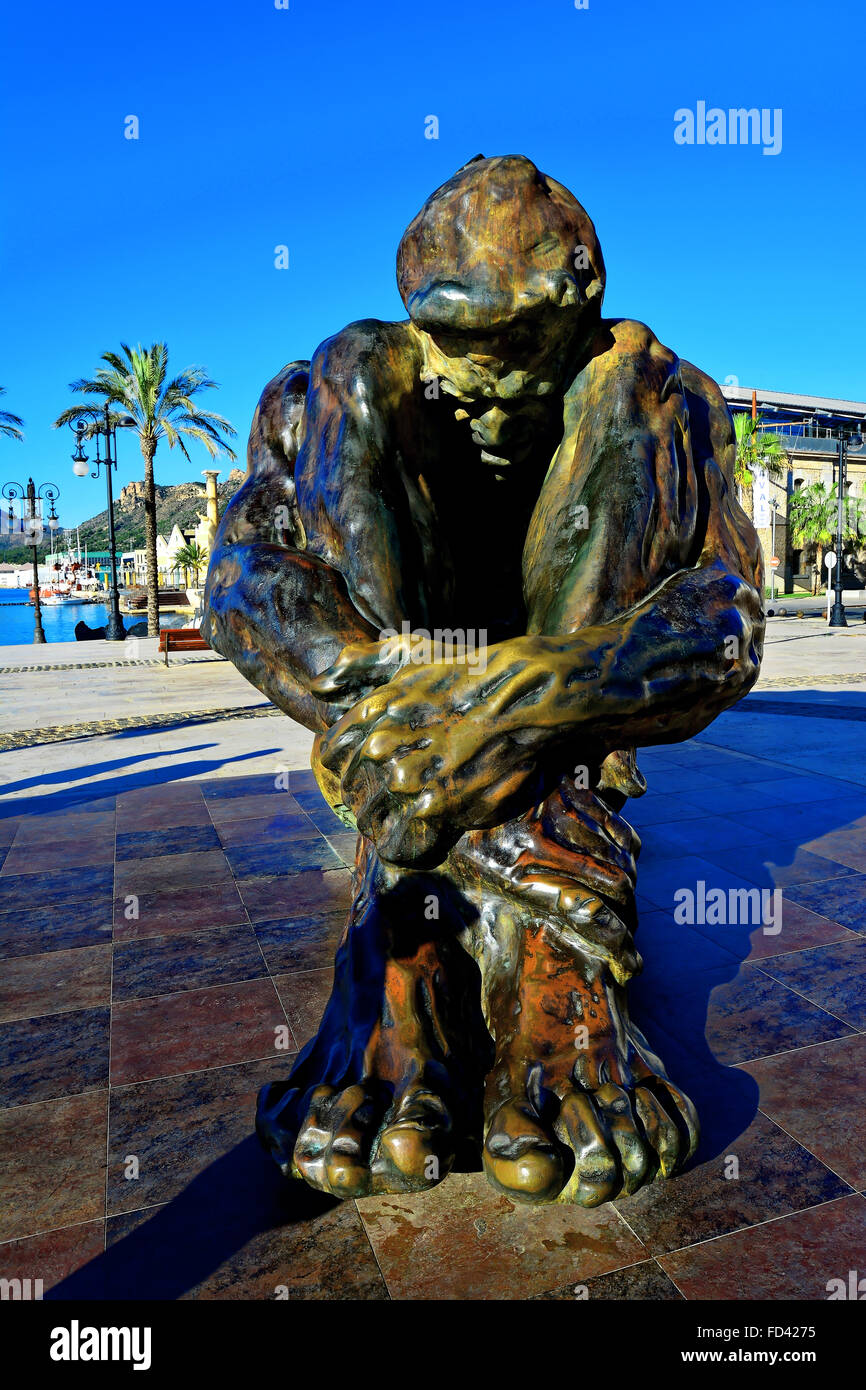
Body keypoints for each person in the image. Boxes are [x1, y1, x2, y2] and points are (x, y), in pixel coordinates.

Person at [203, 155, 764, 1205]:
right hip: (416, 662)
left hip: (552, 660)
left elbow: (722, 620)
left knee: (638, 399)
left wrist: (512, 697)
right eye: (441, 336)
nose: (464, 375)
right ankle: (405, 933)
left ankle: (554, 955)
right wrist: (415, 695)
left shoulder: (654, 396)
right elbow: (241, 583)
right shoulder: (355, 385)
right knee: (341, 383)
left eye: (500, 346)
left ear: (577, 298)